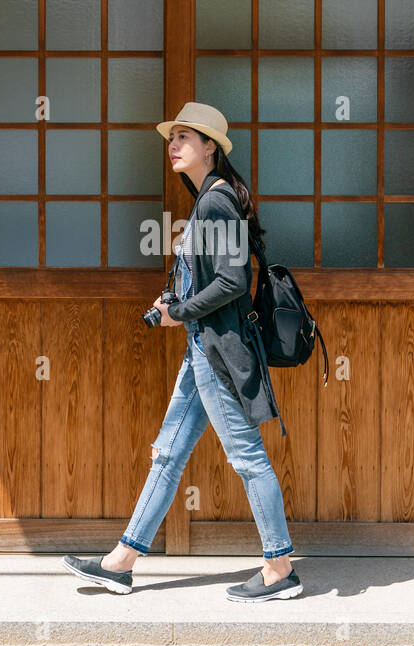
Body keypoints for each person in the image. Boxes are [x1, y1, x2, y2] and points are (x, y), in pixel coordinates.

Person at [62, 101, 302, 602]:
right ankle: (120, 563)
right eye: (171, 138)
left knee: (247, 458)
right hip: (201, 353)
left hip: (215, 354)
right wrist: (178, 300)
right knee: (167, 454)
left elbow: (233, 282)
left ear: (209, 146)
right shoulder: (209, 198)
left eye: (184, 138)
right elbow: (214, 279)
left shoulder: (215, 201)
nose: (173, 146)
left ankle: (280, 568)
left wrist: (179, 312)